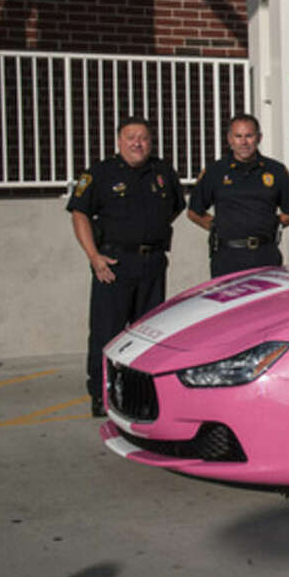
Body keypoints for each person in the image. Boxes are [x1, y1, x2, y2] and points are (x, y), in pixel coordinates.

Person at [67, 116, 184, 417]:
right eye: (130, 137)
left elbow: (173, 209)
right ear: (119, 141)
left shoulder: (162, 172)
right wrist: (94, 256)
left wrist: (148, 236)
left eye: (143, 137)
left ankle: (140, 396)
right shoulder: (101, 173)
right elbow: (79, 214)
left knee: (149, 334)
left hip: (153, 264)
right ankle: (101, 393)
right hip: (114, 265)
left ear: (151, 141)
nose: (137, 143)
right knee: (107, 332)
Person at [187, 113, 289, 278]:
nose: (244, 142)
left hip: (265, 255)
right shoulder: (215, 171)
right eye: (238, 136)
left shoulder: (276, 171)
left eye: (249, 136)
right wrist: (216, 226)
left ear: (259, 138)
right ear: (229, 139)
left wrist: (272, 224)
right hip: (227, 257)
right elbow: (194, 211)